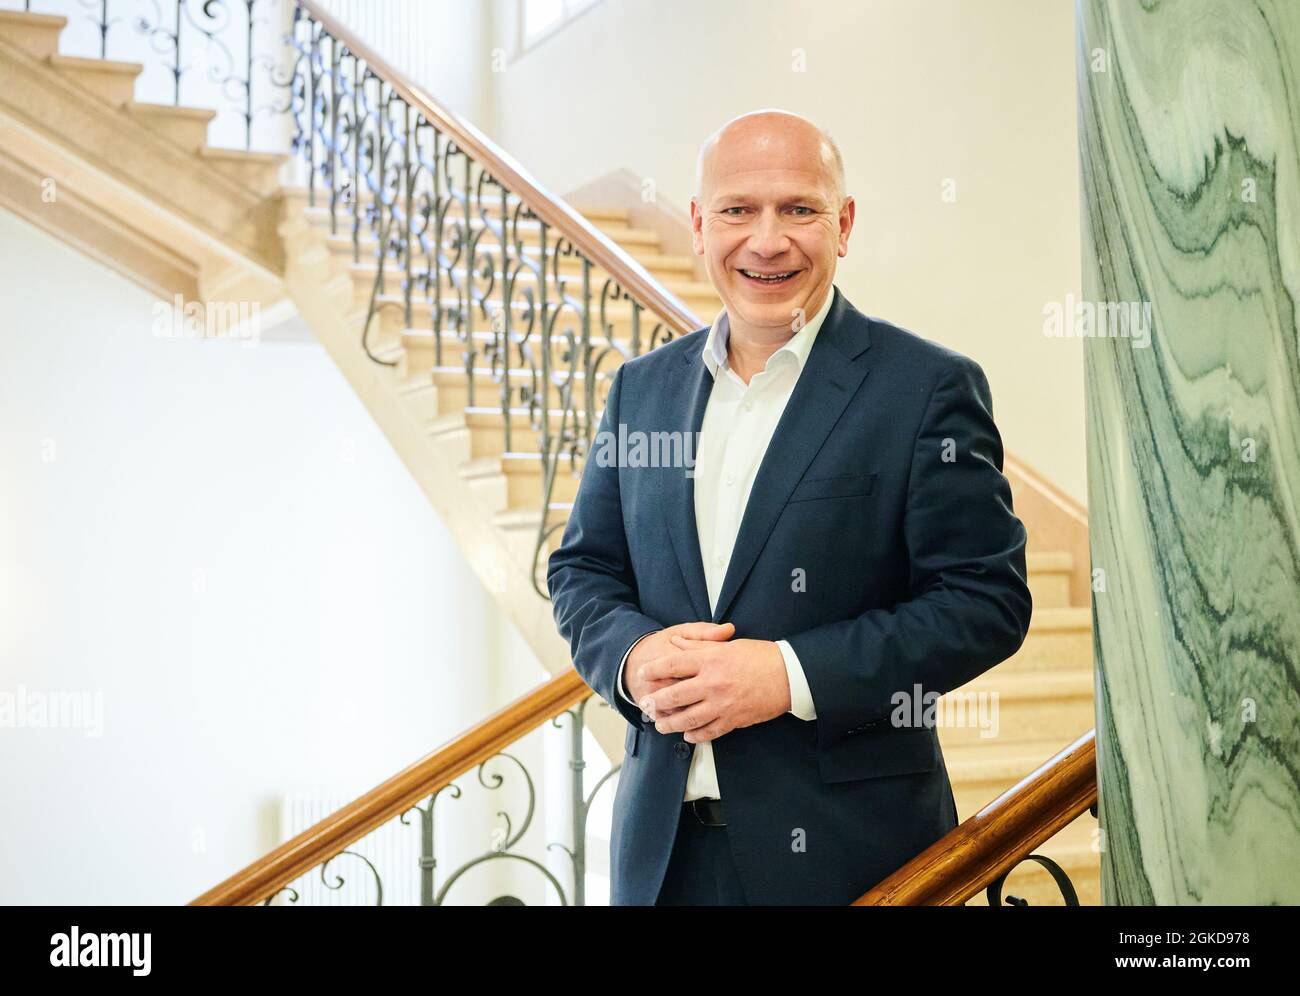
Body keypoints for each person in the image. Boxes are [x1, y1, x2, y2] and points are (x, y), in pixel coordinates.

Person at [547, 109, 1032, 905]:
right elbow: (583, 570)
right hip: (659, 858)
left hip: (853, 858)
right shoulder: (643, 390)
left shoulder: (924, 390)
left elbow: (985, 602)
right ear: (699, 226)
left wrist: (786, 674)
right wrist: (632, 660)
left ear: (843, 226)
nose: (766, 241)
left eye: (798, 209)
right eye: (738, 210)